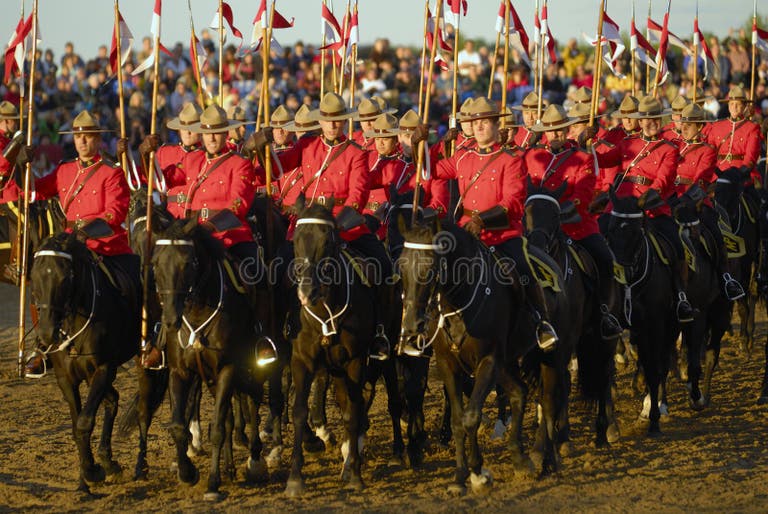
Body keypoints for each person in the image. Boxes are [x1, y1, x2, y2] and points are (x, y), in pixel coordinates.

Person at [251, 92, 393, 361]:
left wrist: (336, 225)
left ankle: (379, 332)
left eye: (337, 120)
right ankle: (274, 334)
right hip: (306, 226)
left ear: (343, 122)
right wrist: (262, 148)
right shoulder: (307, 146)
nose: (332, 125)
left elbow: (359, 195)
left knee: (383, 266)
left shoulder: (356, 152)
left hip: (343, 224)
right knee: (277, 270)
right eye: (328, 120)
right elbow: (276, 168)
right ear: (321, 122)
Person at [412, 97, 559, 354]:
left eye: (484, 122)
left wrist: (482, 220)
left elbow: (513, 202)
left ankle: (541, 321)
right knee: (433, 269)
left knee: (523, 268)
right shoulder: (462, 157)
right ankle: (424, 325)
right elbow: (430, 171)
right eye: (475, 123)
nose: (479, 127)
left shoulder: (511, 158)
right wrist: (418, 145)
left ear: (495, 125)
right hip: (466, 232)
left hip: (502, 234)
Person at [142, 104, 274, 368]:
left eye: (217, 133)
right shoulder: (191, 161)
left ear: (226, 135)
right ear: (200, 135)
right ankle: (160, 340)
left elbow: (239, 204)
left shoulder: (240, 163)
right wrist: (146, 155)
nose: (212, 138)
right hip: (195, 240)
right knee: (165, 277)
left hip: (230, 238)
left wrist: (210, 228)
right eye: (207, 133)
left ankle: (260, 337)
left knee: (257, 274)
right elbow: (164, 181)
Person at [26, 110, 139, 376]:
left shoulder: (111, 172)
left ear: (98, 140)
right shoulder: (65, 170)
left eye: (88, 137)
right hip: (70, 246)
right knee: (45, 280)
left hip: (105, 245)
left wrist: (84, 234)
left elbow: (115, 214)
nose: (83, 142)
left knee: (136, 283)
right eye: (78, 137)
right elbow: (33, 191)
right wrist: (24, 166)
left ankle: (144, 337)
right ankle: (42, 346)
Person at [590, 95, 694, 323]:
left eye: (655, 118)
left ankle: (680, 296)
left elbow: (663, 181)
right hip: (621, 207)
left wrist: (646, 200)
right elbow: (604, 160)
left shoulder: (669, 148)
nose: (650, 122)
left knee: (676, 246)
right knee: (596, 237)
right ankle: (597, 297)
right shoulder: (628, 143)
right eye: (646, 118)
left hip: (652, 208)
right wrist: (587, 146)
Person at [525, 104, 622, 339]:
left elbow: (582, 196)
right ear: (545, 133)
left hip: (576, 226)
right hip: (537, 229)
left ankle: (604, 312)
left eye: (560, 130)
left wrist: (558, 215)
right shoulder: (531, 157)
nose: (556, 135)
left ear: (568, 129)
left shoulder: (582, 157)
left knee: (605, 259)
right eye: (551, 131)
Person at [673, 103, 744, 301]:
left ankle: (725, 277)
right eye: (684, 123)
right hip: (670, 201)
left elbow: (702, 181)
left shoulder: (708, 150)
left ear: (700, 126)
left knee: (715, 233)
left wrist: (685, 200)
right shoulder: (674, 146)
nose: (685, 127)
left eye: (691, 124)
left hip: (696, 203)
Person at [705, 85, 762, 186]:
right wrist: (714, 172)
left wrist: (739, 174)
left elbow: (751, 157)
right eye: (731, 104)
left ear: (744, 106)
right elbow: (709, 153)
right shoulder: (717, 126)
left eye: (738, 104)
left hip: (741, 173)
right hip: (718, 172)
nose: (734, 107)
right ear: (728, 105)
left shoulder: (752, 128)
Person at [141, 103, 204, 187]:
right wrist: (144, 157)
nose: (187, 132)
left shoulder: (207, 155)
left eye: (193, 128)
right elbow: (150, 180)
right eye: (184, 128)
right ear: (179, 130)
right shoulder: (164, 152)